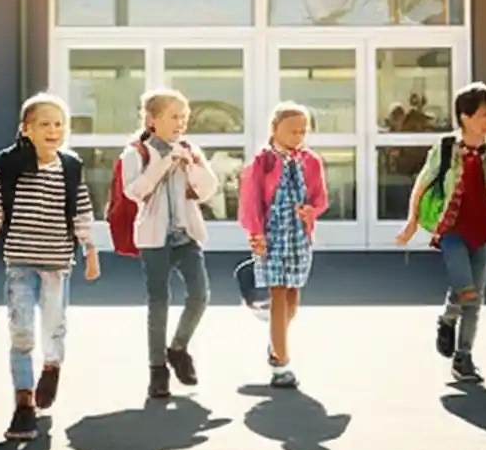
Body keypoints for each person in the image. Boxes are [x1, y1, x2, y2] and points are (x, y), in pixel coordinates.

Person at [0, 93, 99, 441]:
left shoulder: (70, 167)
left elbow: (82, 211)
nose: (53, 130)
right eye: (44, 124)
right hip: (20, 261)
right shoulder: (10, 166)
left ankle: (52, 366)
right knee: (22, 330)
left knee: (54, 326)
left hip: (58, 262)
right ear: (26, 129)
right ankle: (24, 403)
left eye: (59, 124)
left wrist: (91, 250)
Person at [396, 82, 486, 384]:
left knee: (476, 296)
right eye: (485, 115)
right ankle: (451, 323)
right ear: (465, 117)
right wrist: (412, 222)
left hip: (483, 231)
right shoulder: (446, 147)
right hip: (453, 230)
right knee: (467, 291)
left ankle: (463, 356)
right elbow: (422, 184)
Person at [119, 88, 219, 399]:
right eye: (174, 116)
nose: (180, 123)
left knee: (200, 295)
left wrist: (191, 165)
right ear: (152, 120)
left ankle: (178, 348)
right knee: (158, 302)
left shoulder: (190, 148)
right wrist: (163, 163)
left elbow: (208, 190)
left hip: (185, 235)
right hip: (154, 239)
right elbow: (134, 191)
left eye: (184, 118)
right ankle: (157, 370)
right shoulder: (135, 153)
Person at [238, 101, 329, 388]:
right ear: (275, 129)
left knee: (292, 300)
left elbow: (320, 197)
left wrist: (311, 211)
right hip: (271, 236)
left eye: (303, 131)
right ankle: (281, 363)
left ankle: (276, 343)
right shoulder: (261, 162)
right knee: (278, 295)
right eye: (292, 131)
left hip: (299, 236)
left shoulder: (311, 161)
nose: (298, 136)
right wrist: (255, 233)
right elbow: (250, 201)